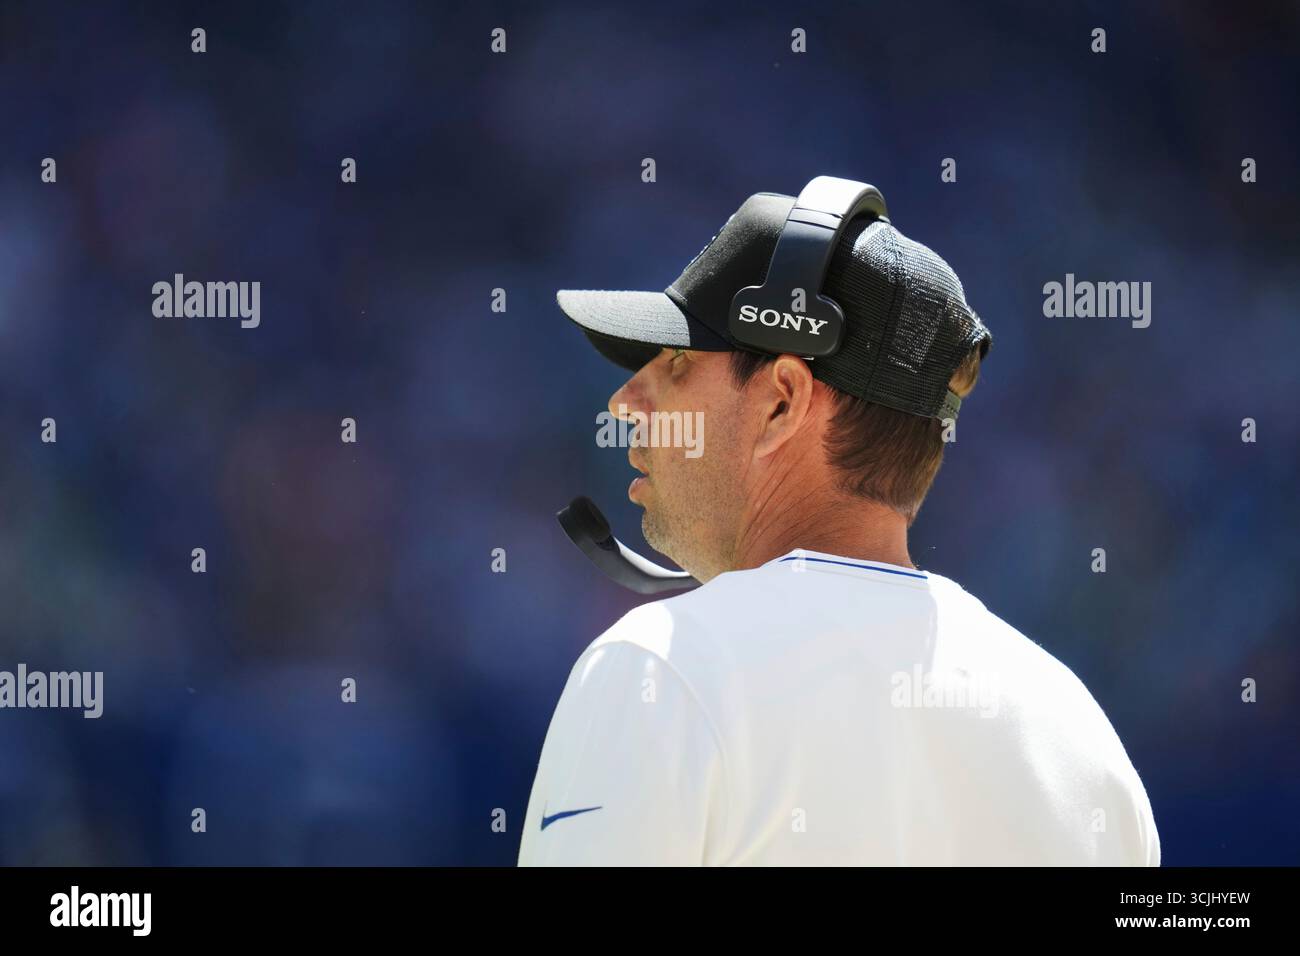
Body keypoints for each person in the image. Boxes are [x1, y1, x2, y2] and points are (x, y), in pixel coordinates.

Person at [518, 180, 1160, 866]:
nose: (624, 402)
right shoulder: (1081, 736)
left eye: (677, 361)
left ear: (781, 402)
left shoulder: (658, 671)